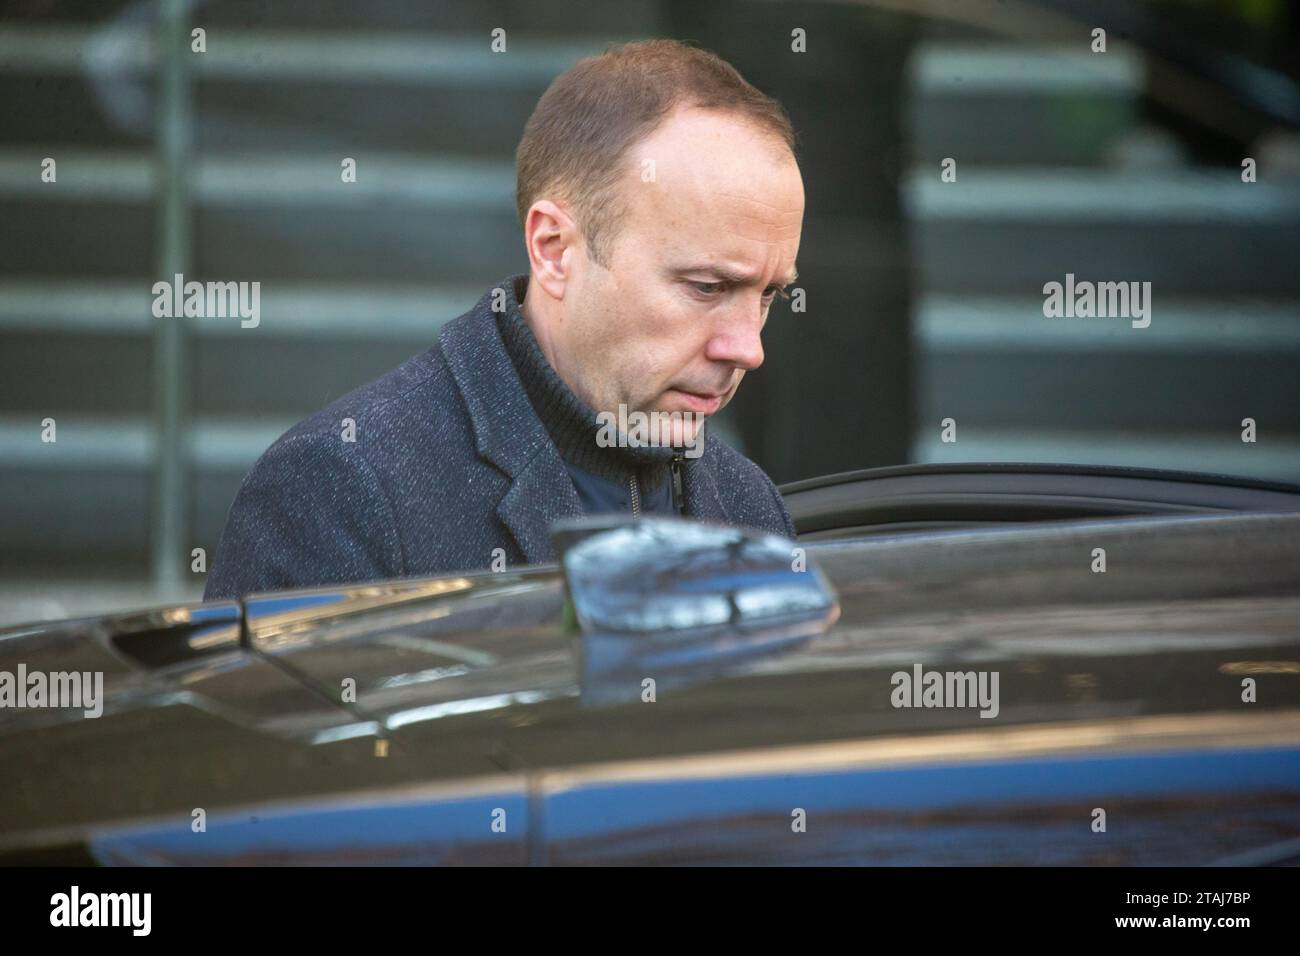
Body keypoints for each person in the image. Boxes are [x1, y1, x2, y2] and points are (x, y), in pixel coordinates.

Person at [204, 39, 805, 600]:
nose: (748, 347)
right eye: (706, 287)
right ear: (554, 249)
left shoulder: (749, 501)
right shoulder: (342, 490)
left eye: (769, 295)